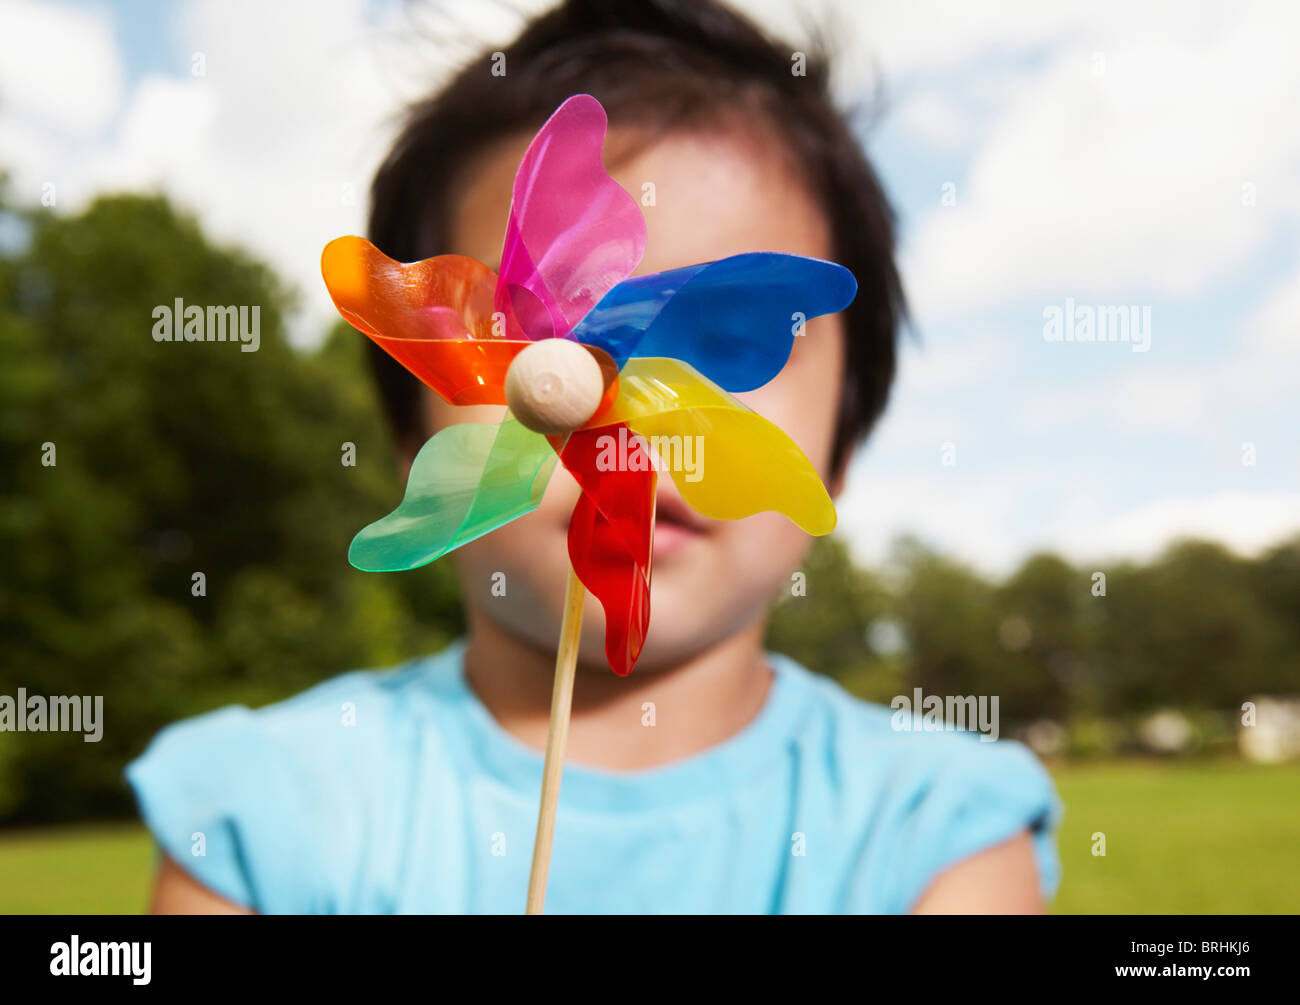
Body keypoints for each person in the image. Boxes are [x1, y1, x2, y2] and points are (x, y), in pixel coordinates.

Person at [128, 0, 1060, 914]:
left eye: (724, 341)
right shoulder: (265, 815)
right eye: (540, 329)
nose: (637, 418)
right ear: (410, 428)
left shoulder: (939, 826)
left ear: (840, 447)